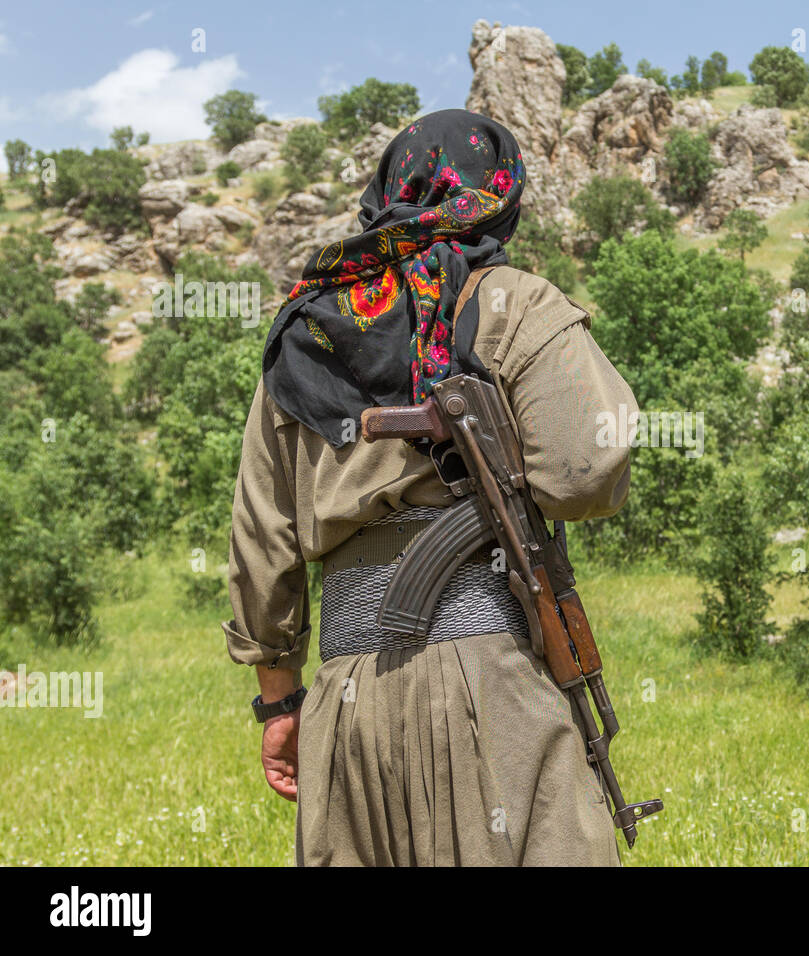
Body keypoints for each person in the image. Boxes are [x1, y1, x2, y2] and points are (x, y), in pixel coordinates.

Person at [222, 109, 637, 866]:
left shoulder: (302, 336)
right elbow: (586, 469)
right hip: (491, 679)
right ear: (500, 199)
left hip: (349, 700)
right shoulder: (511, 302)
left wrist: (281, 700)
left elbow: (261, 543)